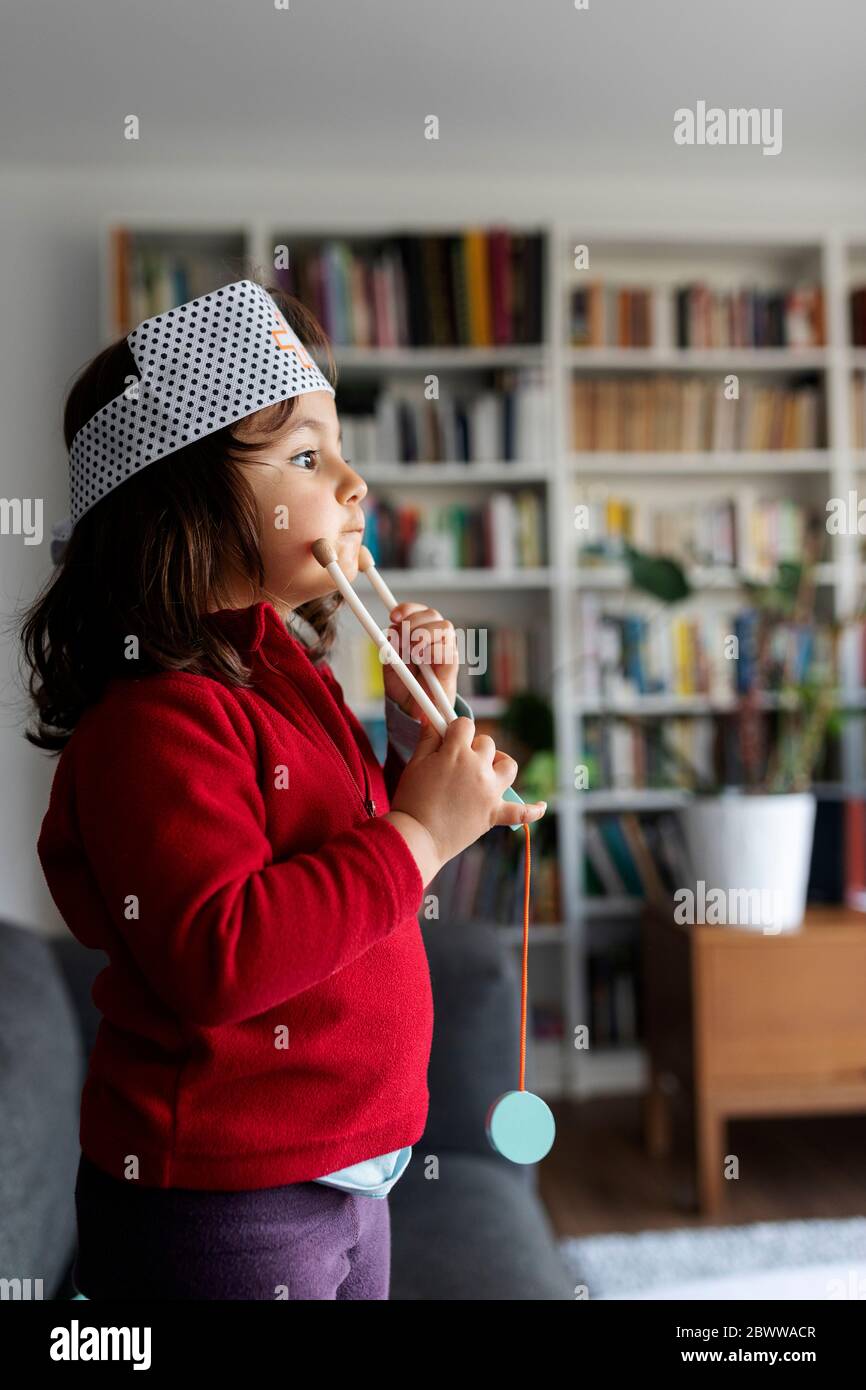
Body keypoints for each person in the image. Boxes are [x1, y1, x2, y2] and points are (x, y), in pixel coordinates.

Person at [24, 279, 546, 1300]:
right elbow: (225, 954)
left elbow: (332, 854)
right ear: (177, 505)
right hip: (225, 1202)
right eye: (306, 456)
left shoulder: (280, 669)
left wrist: (407, 741)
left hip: (348, 1172)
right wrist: (418, 835)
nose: (351, 483)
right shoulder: (154, 720)